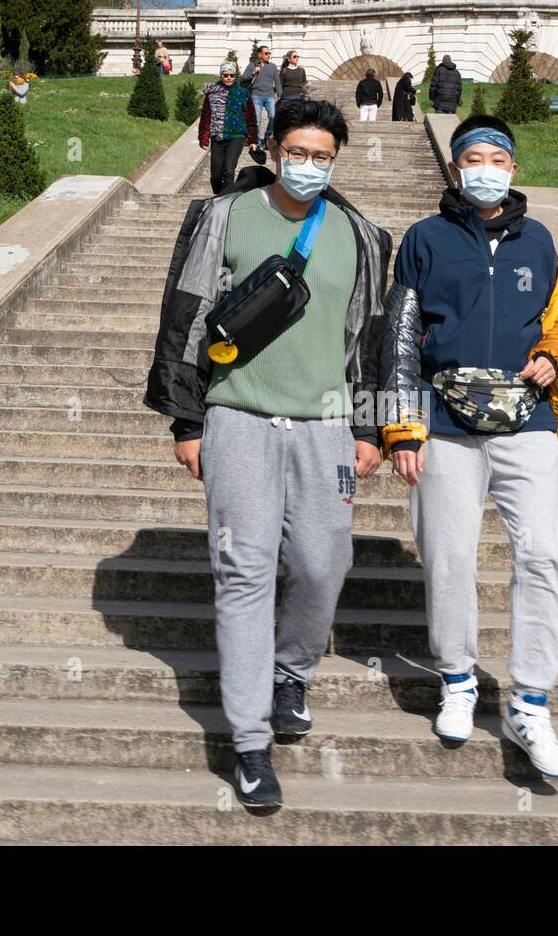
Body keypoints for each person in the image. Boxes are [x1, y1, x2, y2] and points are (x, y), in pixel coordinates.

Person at [144, 99, 392, 811]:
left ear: (336, 161)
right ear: (273, 150)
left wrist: (371, 429)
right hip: (238, 419)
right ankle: (249, 742)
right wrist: (187, 420)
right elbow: (186, 313)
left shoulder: (361, 235)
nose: (309, 165)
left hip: (328, 427)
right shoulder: (224, 215)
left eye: (323, 156)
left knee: (322, 562)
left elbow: (370, 339)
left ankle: (292, 672)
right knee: (243, 572)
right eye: (298, 152)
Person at [379, 115, 558, 779]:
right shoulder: (423, 239)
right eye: (474, 159)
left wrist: (555, 353)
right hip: (444, 422)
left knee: (542, 554)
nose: (486, 169)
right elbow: (399, 337)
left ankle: (530, 701)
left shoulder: (540, 240)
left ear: (514, 169)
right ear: (454, 169)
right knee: (447, 556)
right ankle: (458, 680)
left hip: (527, 421)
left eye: (498, 158)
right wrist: (401, 427)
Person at [199, 63, 259, 194]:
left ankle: (226, 199)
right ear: (221, 75)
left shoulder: (243, 94)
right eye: (225, 75)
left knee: (229, 171)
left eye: (232, 75)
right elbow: (206, 116)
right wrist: (203, 137)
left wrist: (253, 140)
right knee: (216, 175)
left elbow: (251, 118)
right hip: (218, 136)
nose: (229, 78)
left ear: (235, 76)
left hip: (236, 136)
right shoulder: (212, 93)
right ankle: (219, 194)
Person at [241, 44, 283, 142]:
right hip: (256, 95)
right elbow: (243, 78)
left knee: (273, 116)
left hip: (270, 96)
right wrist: (253, 73)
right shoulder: (252, 65)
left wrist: (279, 94)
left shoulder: (272, 66)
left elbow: (277, 81)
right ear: (260, 54)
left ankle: (267, 136)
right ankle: (257, 141)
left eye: (269, 53)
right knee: (257, 120)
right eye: (266, 53)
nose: (268, 55)